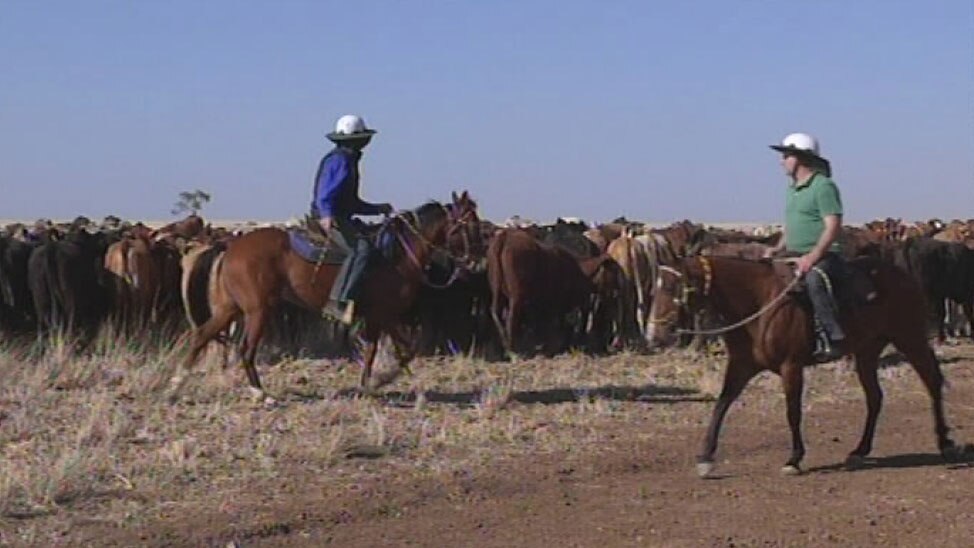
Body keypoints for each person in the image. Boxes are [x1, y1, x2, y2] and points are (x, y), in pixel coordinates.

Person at [763, 132, 846, 362]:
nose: (782, 161)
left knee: (814, 281)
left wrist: (813, 256)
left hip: (825, 255)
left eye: (786, 156)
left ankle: (831, 337)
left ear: (799, 158)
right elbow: (791, 226)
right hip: (794, 253)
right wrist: (777, 249)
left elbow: (832, 226)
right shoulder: (792, 189)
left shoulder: (823, 186)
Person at [310, 114, 393, 324]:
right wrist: (327, 214)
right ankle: (338, 301)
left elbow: (352, 202)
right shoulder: (340, 160)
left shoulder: (347, 159)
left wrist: (377, 209)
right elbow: (325, 192)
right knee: (360, 249)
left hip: (338, 214)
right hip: (330, 216)